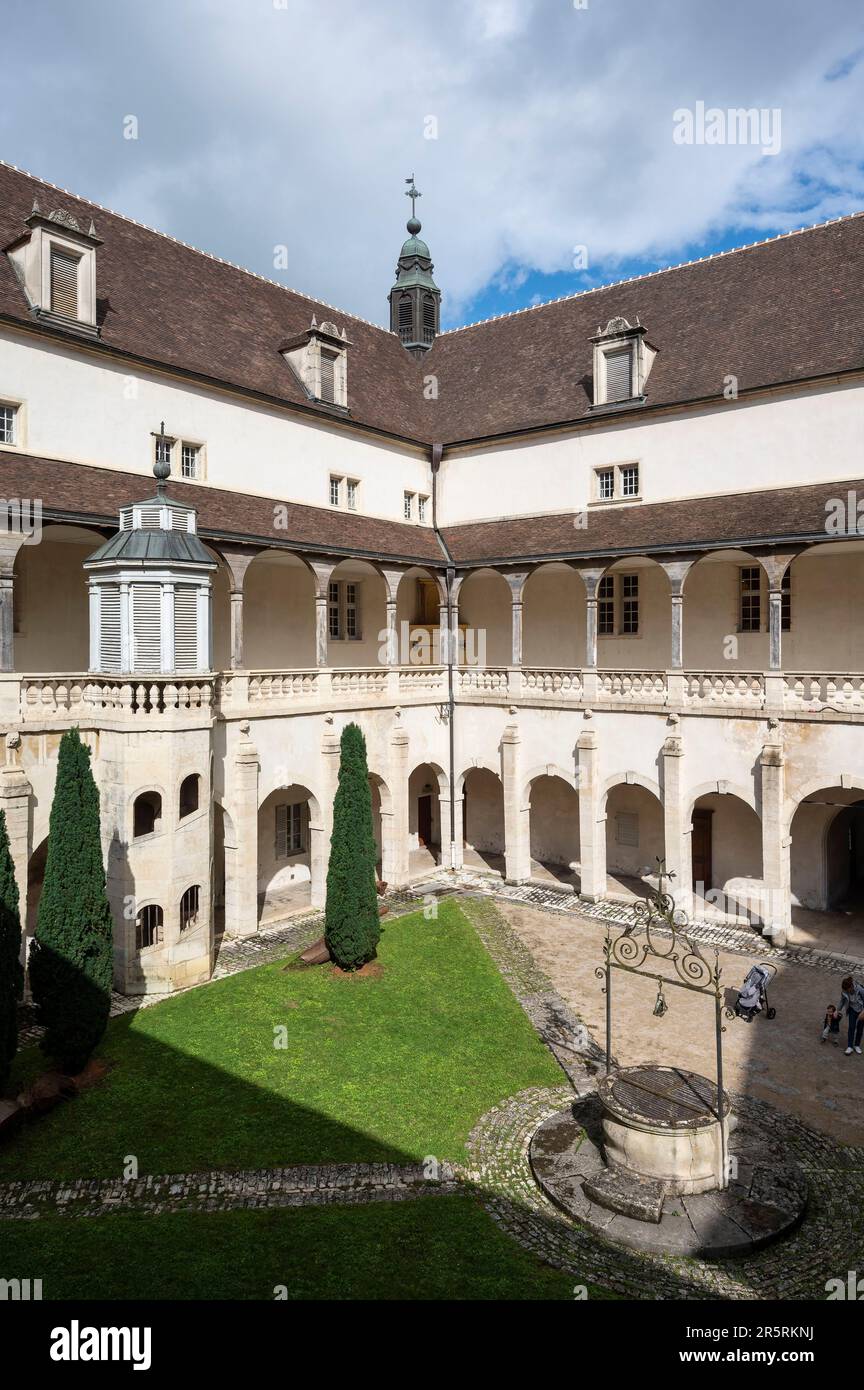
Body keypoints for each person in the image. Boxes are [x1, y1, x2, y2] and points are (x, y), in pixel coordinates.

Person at [838, 976, 864, 1055]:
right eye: (845, 990)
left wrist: (863, 1012)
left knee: (860, 1028)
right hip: (852, 1010)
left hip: (861, 1010)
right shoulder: (844, 991)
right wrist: (837, 1010)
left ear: (851, 986)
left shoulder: (860, 989)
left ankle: (857, 1045)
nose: (847, 991)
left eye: (848, 990)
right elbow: (842, 1001)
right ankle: (850, 1046)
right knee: (851, 1028)